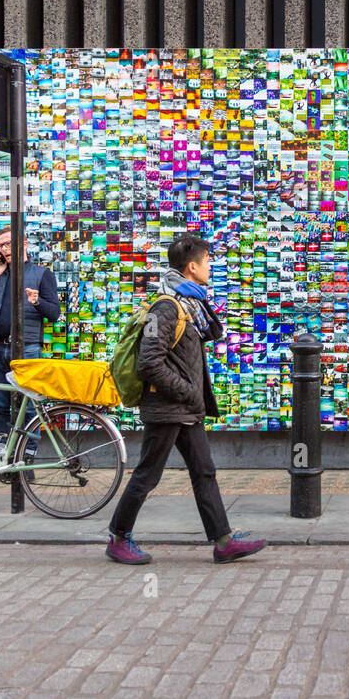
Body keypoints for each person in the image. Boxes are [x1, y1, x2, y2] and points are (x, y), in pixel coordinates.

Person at [105, 232, 266, 565]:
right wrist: (186, 390)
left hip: (185, 409)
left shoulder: (187, 303)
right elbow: (148, 361)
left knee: (204, 471)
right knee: (148, 475)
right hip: (167, 409)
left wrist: (202, 301)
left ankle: (223, 541)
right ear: (192, 266)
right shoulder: (162, 308)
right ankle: (118, 538)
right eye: (207, 261)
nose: (211, 266)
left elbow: (212, 332)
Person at [0, 227, 60, 462]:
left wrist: (37, 301)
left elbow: (54, 314)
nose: (6, 249)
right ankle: (2, 458)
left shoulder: (42, 274)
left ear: (24, 243)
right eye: (2, 245)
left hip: (27, 347)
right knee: (0, 406)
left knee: (29, 408)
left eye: (10, 243)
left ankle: (26, 460)